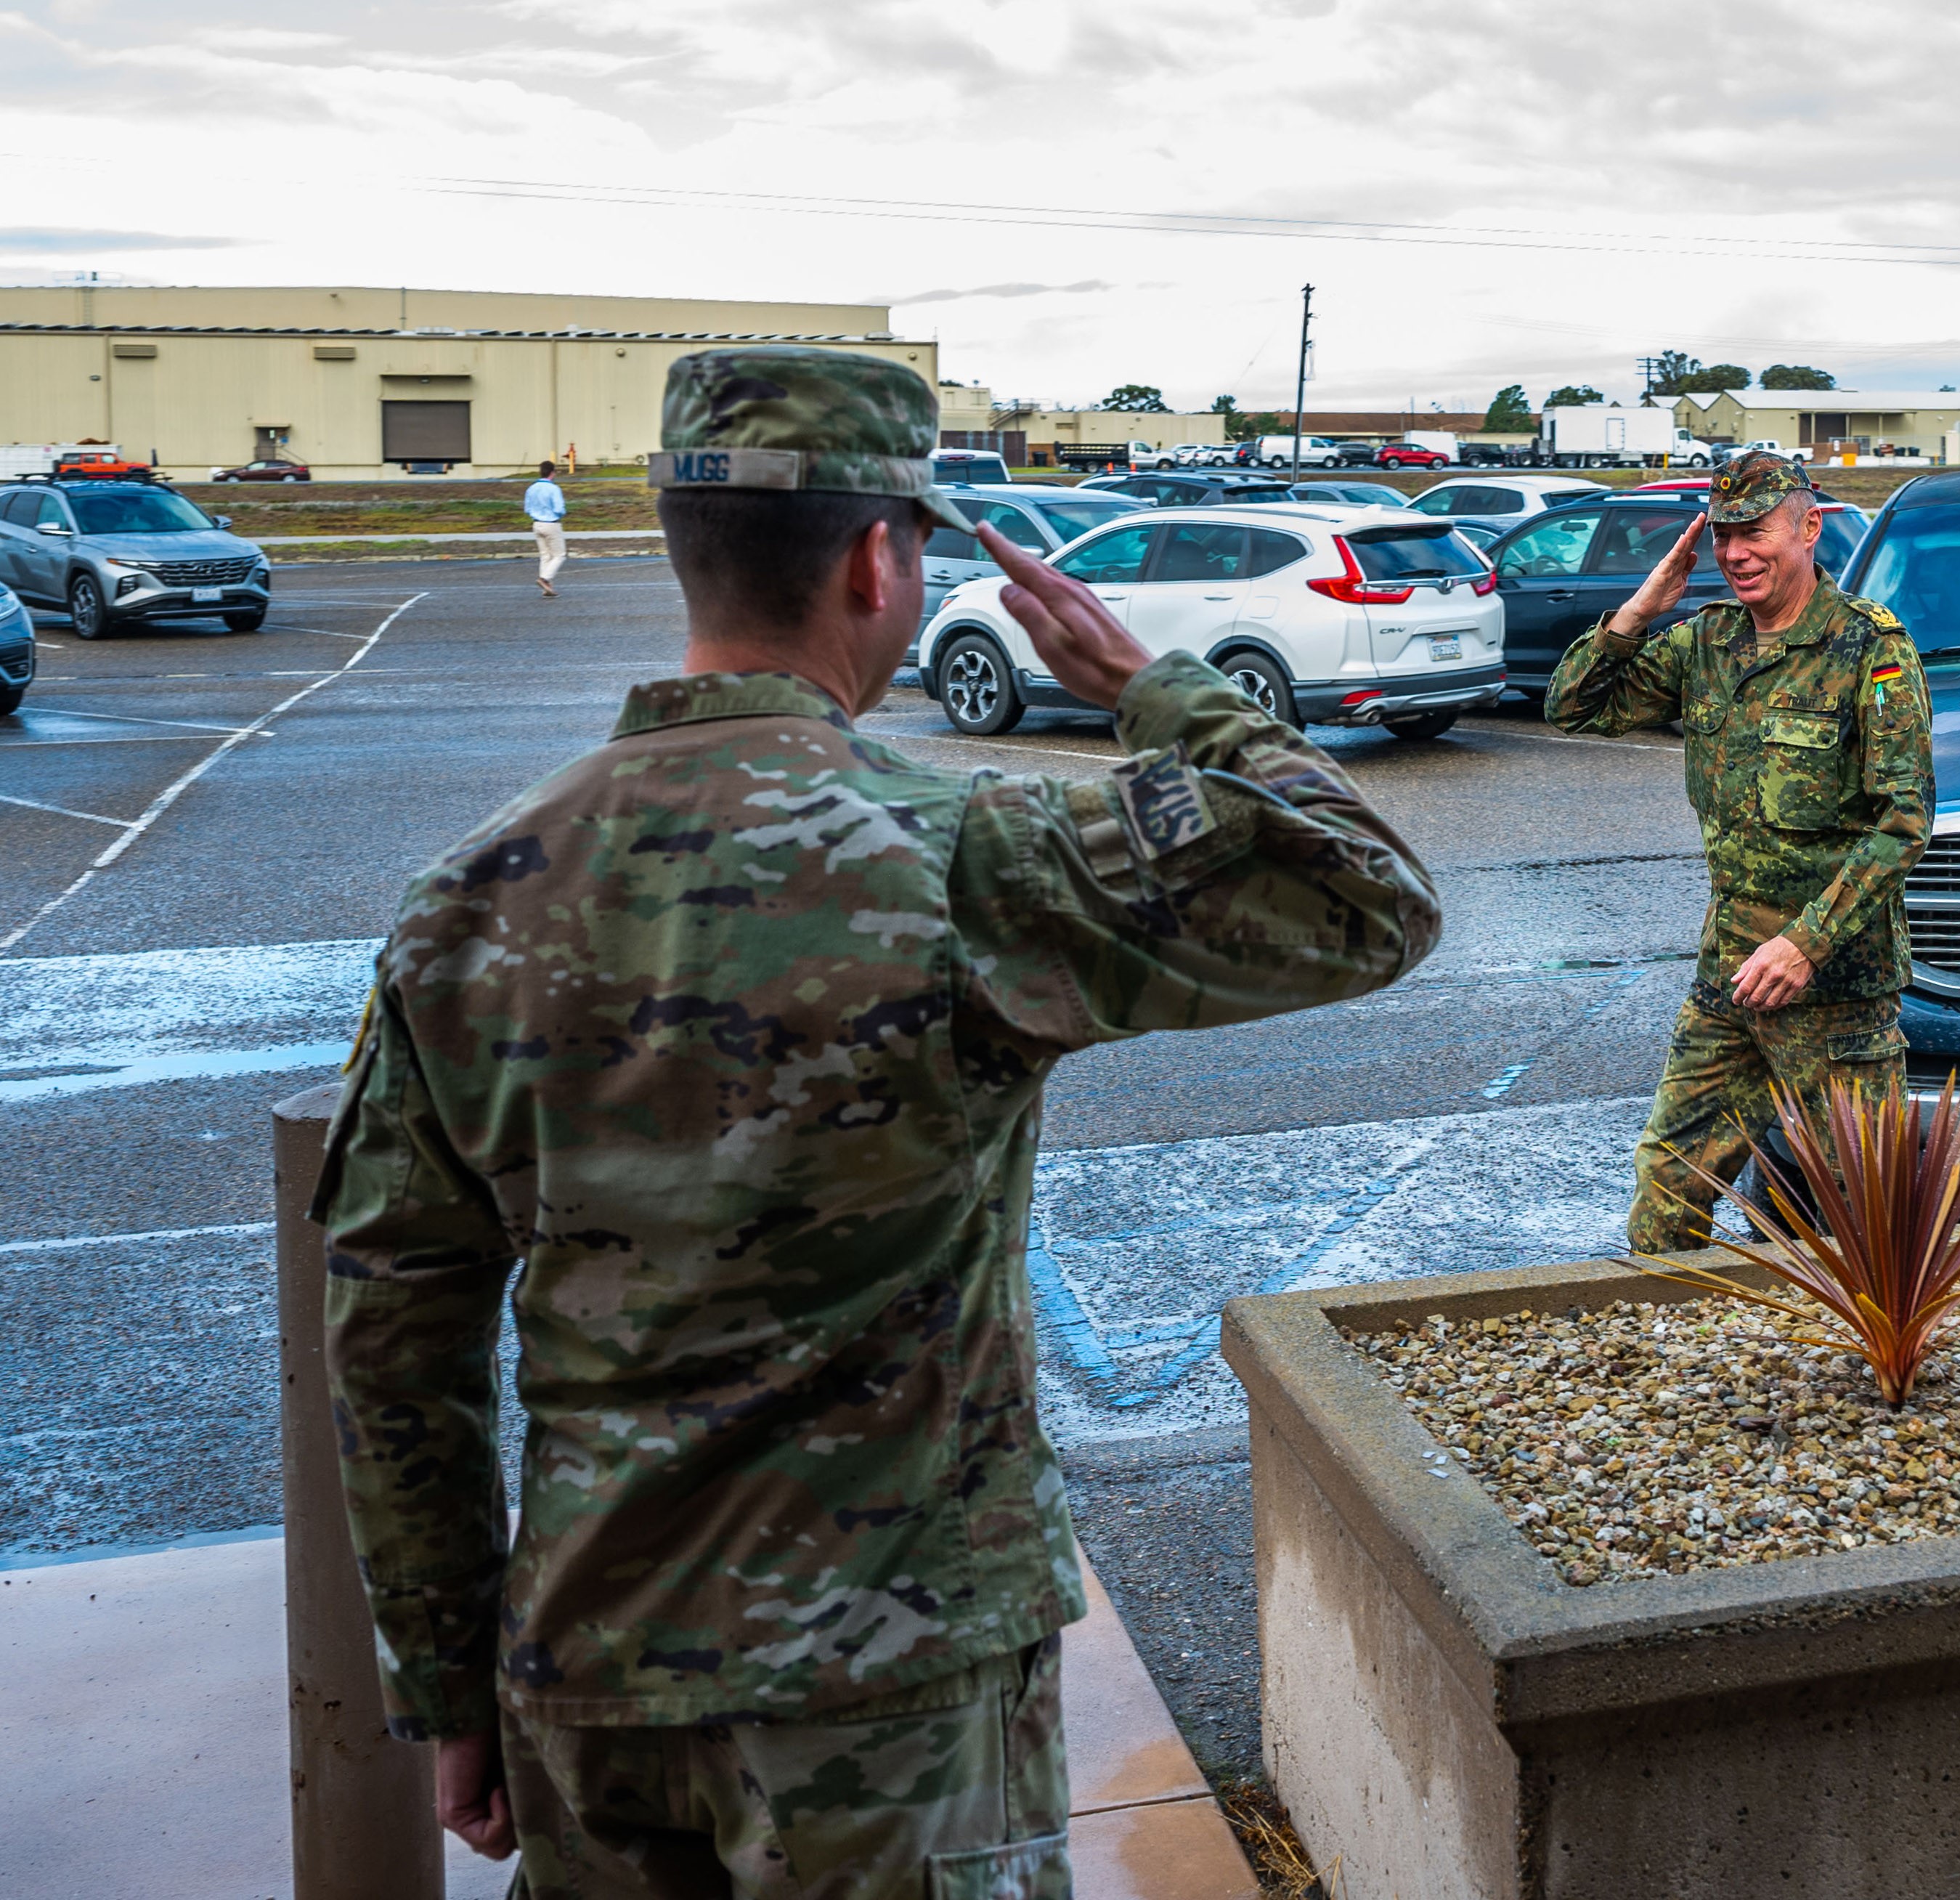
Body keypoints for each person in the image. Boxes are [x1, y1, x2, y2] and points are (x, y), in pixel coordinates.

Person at [316, 346, 1440, 1899]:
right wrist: (1156, 691)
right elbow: (1371, 896)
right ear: (877, 558)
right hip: (893, 1675)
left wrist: (446, 1675)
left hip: (593, 1651)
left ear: (672, 542)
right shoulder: (972, 854)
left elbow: (393, 1322)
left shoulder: (466, 898)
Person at [1544, 450, 1933, 1254]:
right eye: (1722, 536)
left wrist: (1806, 942)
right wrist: (1642, 607)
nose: (1735, 553)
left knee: (1872, 1214)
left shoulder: (1870, 650)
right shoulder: (1705, 643)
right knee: (1668, 1181)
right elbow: (1574, 710)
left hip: (1835, 995)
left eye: (1753, 532)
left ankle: (1883, 1371)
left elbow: (1905, 819)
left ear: (1808, 530)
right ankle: (1674, 1346)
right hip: (1730, 978)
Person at [524, 458, 568, 596]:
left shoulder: (531, 488)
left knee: (545, 555)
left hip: (537, 523)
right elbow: (559, 508)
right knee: (560, 555)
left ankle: (547, 587)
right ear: (552, 473)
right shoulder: (553, 488)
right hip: (551, 523)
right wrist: (561, 513)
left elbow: (527, 508)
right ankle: (545, 579)